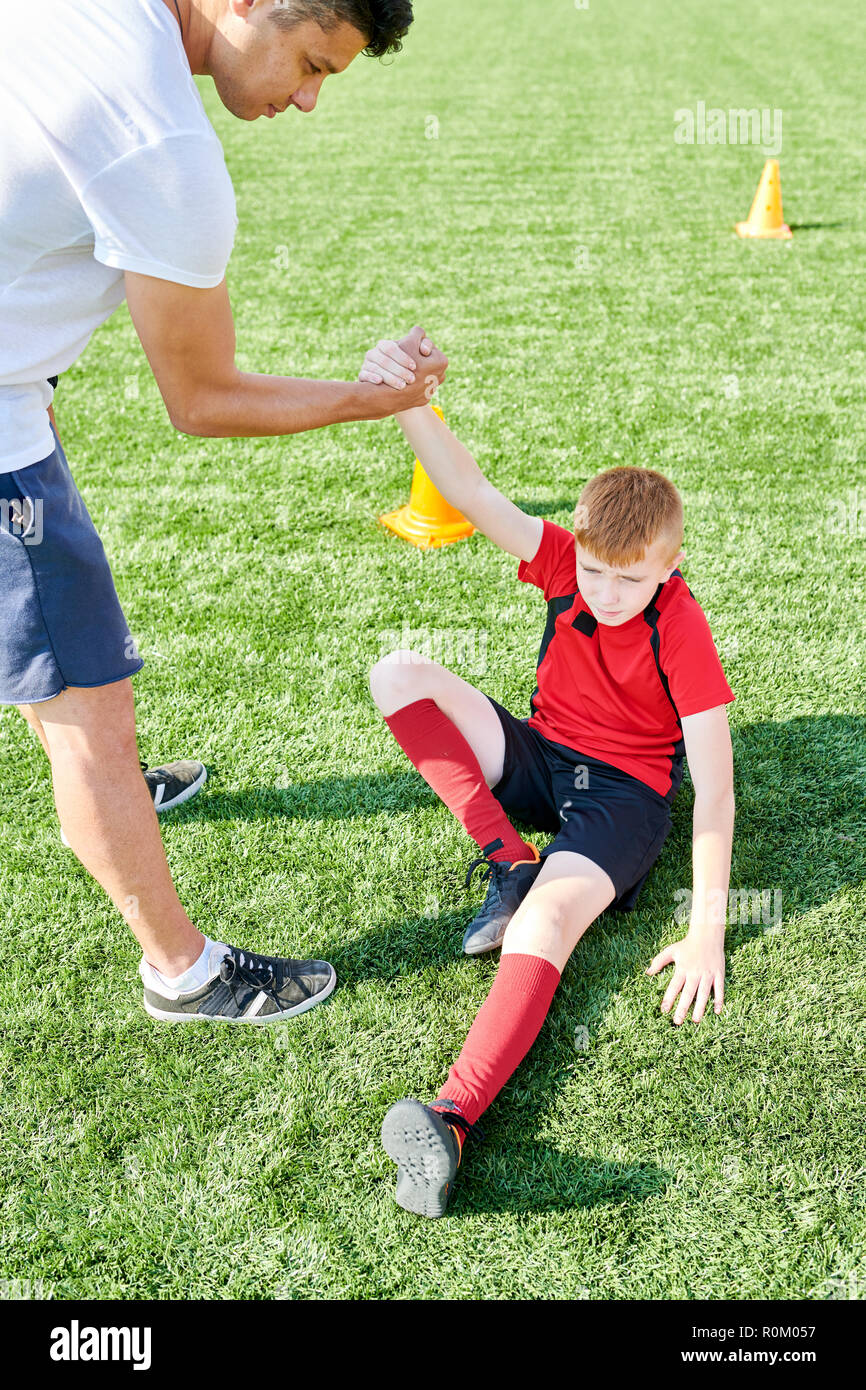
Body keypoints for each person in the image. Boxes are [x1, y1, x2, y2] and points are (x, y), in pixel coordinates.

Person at [0, 0, 446, 1025]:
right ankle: (183, 972)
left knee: (51, 638)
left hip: (17, 395)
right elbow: (201, 399)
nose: (306, 99)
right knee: (88, 710)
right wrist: (370, 399)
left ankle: (116, 787)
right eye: (307, 63)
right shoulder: (164, 145)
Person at [366, 401, 736, 1216]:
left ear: (668, 569)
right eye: (596, 571)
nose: (605, 592)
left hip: (623, 799)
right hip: (544, 755)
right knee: (396, 674)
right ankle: (509, 860)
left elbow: (715, 789)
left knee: (542, 928)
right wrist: (406, 402)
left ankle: (453, 1118)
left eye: (629, 579)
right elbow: (465, 487)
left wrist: (707, 928)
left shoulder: (681, 627)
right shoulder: (567, 562)